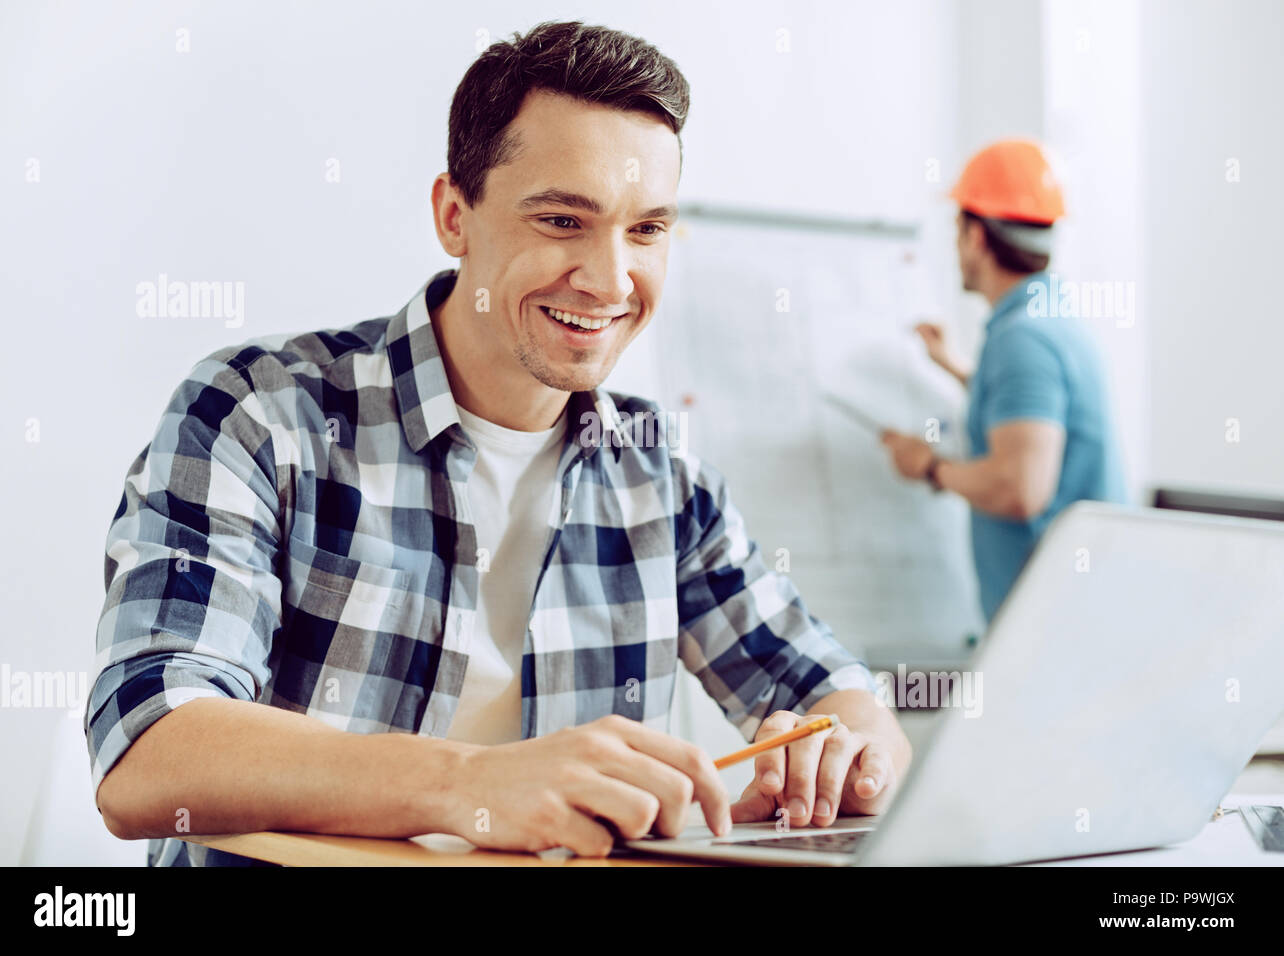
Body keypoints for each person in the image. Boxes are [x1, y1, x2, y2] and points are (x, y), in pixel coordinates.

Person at [85, 20, 911, 866]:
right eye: (562, 220)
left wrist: (843, 754)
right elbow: (148, 749)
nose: (611, 279)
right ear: (454, 214)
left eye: (649, 231)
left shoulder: (664, 478)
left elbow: (842, 699)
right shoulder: (262, 414)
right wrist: (473, 785)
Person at [881, 139, 1126, 622]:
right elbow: (1032, 417)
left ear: (976, 236)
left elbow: (1020, 487)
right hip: (1075, 614)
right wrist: (954, 368)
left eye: (956, 231)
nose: (955, 247)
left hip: (1054, 627)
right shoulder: (1048, 319)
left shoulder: (1023, 339)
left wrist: (929, 466)